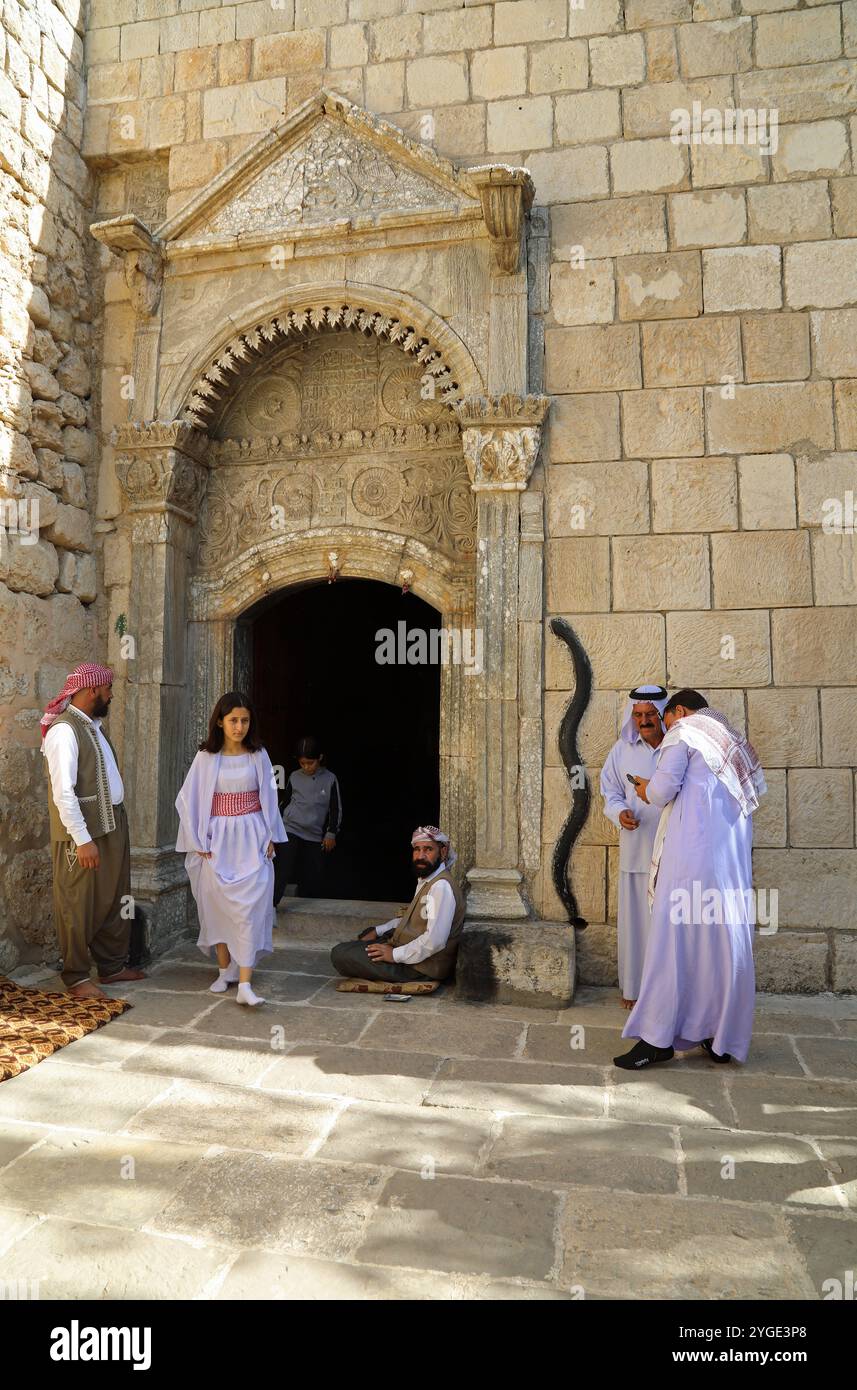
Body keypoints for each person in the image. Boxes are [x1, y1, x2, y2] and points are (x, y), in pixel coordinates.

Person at [614, 689, 766, 1070]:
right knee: (719, 947)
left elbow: (663, 790)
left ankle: (657, 1038)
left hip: (689, 860)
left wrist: (644, 788)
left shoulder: (685, 732)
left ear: (679, 711)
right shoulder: (734, 743)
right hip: (728, 869)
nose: (665, 726)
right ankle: (719, 1038)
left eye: (666, 717)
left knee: (673, 943)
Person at [42, 662, 146, 999]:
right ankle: (75, 977)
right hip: (82, 834)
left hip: (110, 824)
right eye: (108, 689)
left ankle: (112, 966)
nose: (111, 695)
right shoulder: (64, 731)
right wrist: (82, 839)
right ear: (91, 691)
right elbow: (63, 793)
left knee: (114, 896)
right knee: (77, 902)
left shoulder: (92, 726)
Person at [176, 692, 287, 1007]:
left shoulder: (259, 754)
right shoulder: (207, 757)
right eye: (233, 720)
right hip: (218, 839)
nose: (239, 727)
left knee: (249, 908)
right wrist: (199, 840)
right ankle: (224, 970)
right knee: (218, 905)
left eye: (245, 720)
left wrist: (270, 835)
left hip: (251, 836)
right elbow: (189, 799)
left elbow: (269, 796)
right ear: (220, 722)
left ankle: (245, 984)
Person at [600, 683, 668, 1009]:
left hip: (671, 851)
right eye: (638, 715)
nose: (644, 720)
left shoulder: (676, 748)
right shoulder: (622, 750)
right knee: (635, 924)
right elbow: (609, 792)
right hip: (635, 848)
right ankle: (633, 988)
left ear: (662, 715)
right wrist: (619, 812)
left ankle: (666, 990)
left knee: (666, 925)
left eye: (650, 714)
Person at [330, 826, 464, 985]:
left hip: (422, 968)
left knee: (339, 954)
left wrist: (393, 955)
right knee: (362, 939)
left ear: (442, 853)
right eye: (417, 849)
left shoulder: (440, 887)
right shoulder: (427, 880)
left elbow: (435, 941)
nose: (420, 856)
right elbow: (413, 919)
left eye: (428, 849)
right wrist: (377, 931)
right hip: (410, 952)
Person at [273, 735, 342, 907]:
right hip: (291, 827)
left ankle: (311, 906)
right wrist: (276, 827)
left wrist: (331, 833)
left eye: (310, 763)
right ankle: (272, 906)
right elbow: (286, 802)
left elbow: (336, 808)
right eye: (302, 763)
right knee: (284, 869)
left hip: (314, 833)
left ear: (320, 758)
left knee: (314, 873)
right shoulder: (295, 776)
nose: (306, 767)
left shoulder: (330, 779)